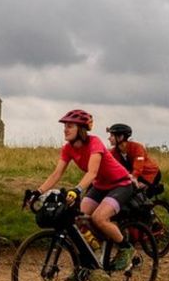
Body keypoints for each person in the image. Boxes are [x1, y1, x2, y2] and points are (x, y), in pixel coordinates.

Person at [26, 109, 136, 271]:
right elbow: (56, 174)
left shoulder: (95, 143)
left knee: (99, 218)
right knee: (78, 218)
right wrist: (37, 192)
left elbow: (92, 173)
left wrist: (77, 190)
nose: (65, 129)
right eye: (65, 126)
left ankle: (126, 248)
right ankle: (94, 252)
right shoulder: (68, 148)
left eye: (70, 126)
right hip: (100, 186)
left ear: (81, 129)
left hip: (120, 184)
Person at [106, 123, 162, 193]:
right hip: (134, 175)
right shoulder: (114, 151)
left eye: (111, 136)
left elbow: (139, 165)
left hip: (149, 174)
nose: (109, 138)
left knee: (135, 192)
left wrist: (134, 177)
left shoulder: (137, 147)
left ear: (121, 137)